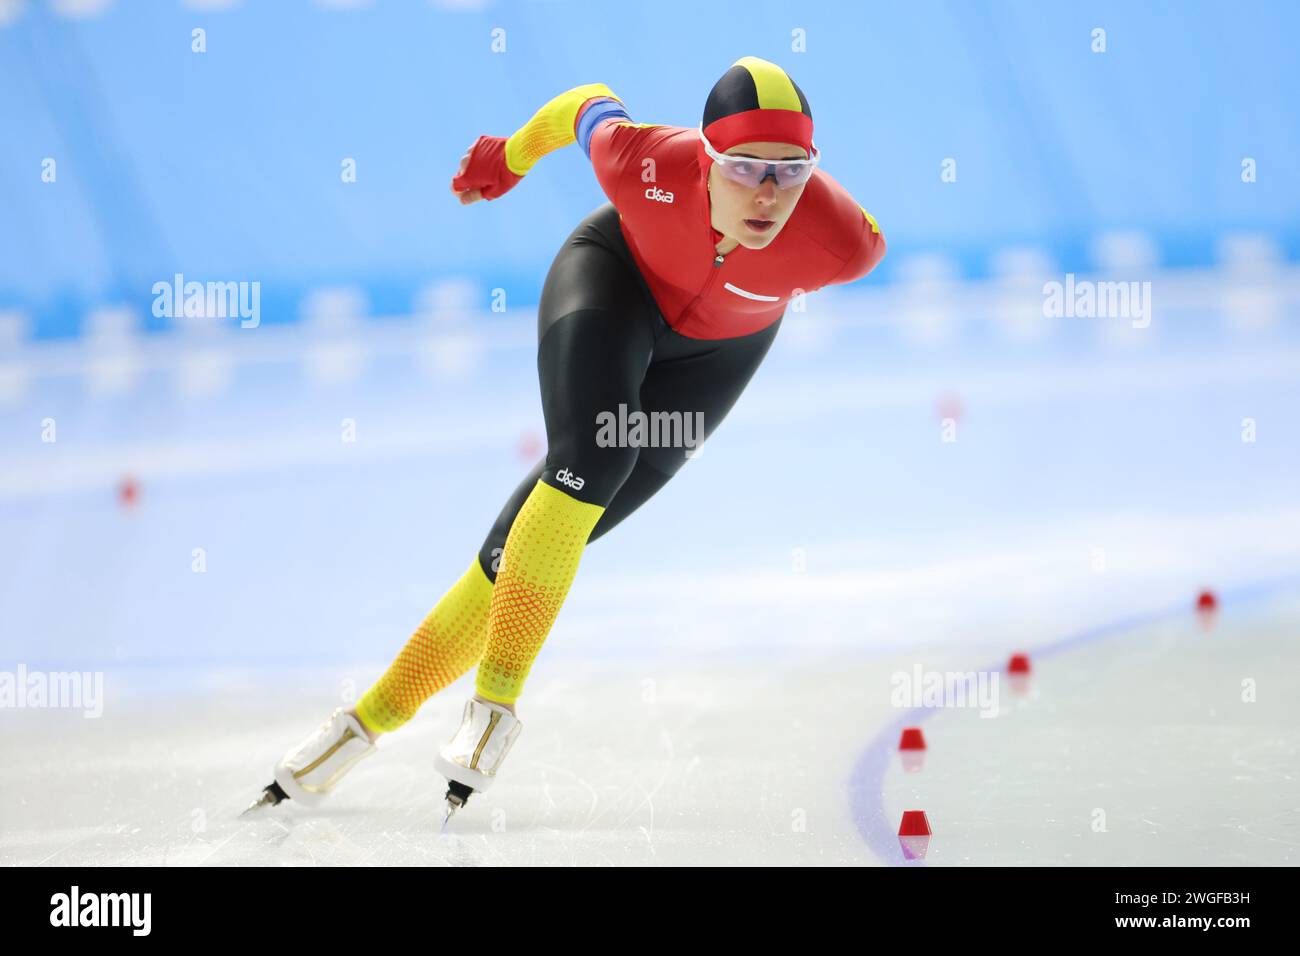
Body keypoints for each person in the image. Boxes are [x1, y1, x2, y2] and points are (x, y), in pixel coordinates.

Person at [245, 56, 885, 822]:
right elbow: (586, 101)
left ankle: (364, 724)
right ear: (706, 157)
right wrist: (508, 157)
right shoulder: (644, 160)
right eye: (745, 167)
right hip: (613, 283)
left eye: (792, 171)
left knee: (526, 546)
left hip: (713, 362)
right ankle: (496, 709)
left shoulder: (844, 240)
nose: (769, 192)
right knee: (593, 460)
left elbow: (862, 231)